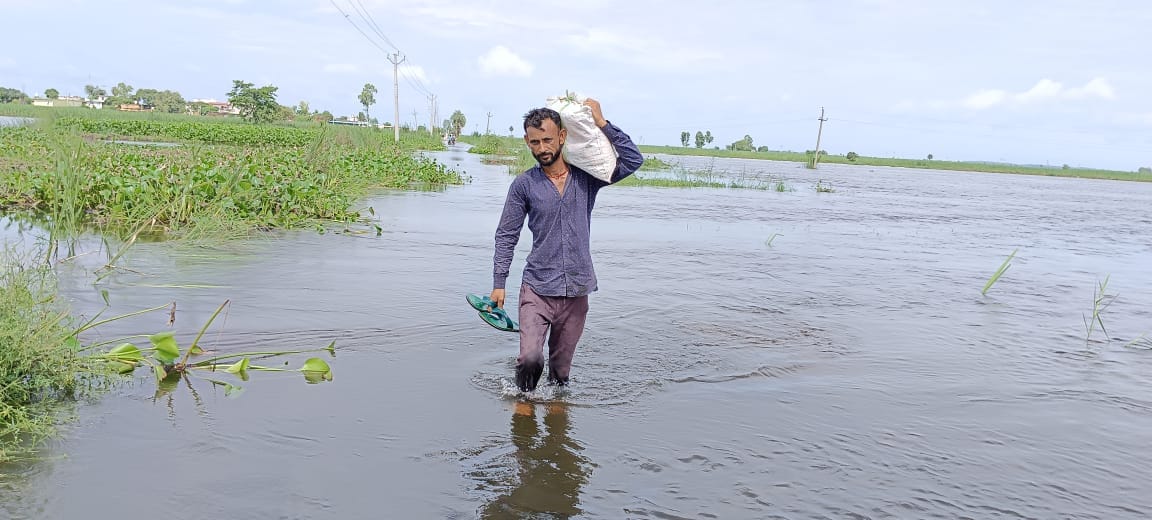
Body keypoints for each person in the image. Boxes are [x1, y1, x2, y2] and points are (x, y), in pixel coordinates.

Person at [489, 99, 643, 392]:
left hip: (577, 289)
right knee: (530, 358)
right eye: (534, 142)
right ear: (527, 142)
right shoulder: (524, 185)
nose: (542, 148)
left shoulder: (587, 178)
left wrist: (602, 123)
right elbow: (506, 234)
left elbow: (633, 160)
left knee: (560, 373)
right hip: (537, 288)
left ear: (562, 136)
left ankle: (556, 407)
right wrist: (499, 282)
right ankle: (523, 406)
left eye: (548, 139)